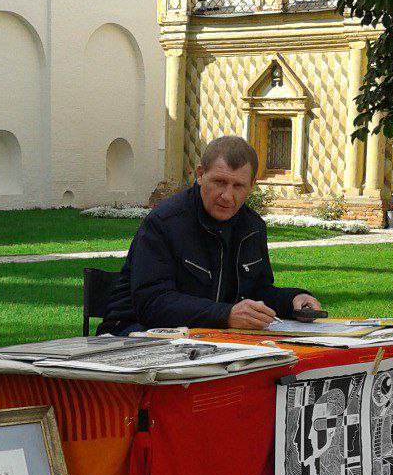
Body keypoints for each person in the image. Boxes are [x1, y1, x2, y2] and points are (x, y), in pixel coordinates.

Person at [99, 135, 322, 334]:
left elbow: (257, 292)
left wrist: (293, 299)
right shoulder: (164, 222)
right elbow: (153, 303)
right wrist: (225, 315)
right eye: (219, 182)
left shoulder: (252, 227)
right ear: (200, 175)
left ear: (252, 185)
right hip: (132, 334)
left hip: (205, 338)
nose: (227, 195)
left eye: (238, 186)